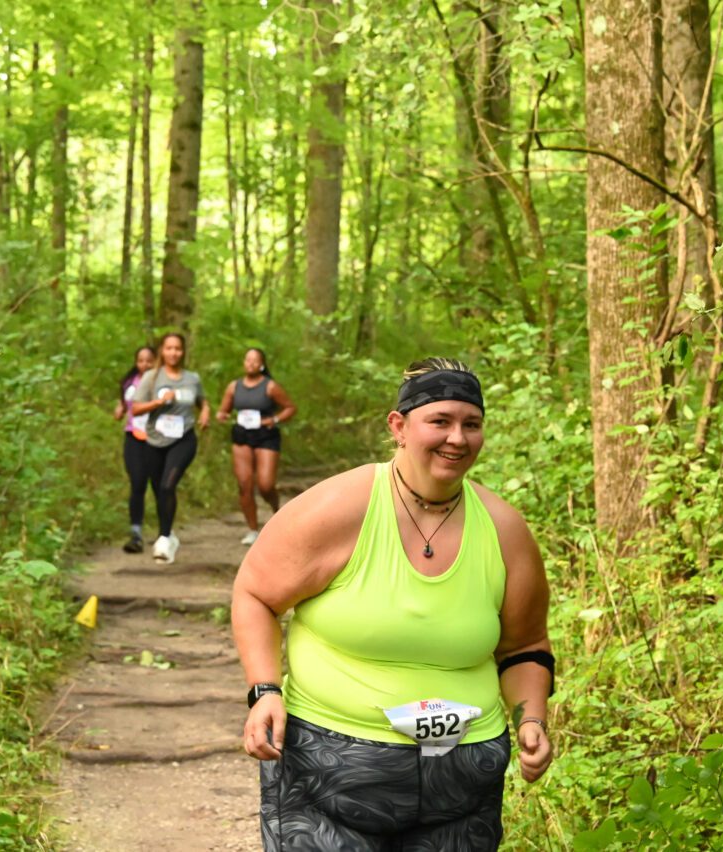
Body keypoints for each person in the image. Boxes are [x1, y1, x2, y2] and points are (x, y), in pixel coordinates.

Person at [232, 357, 554, 850]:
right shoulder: (340, 507)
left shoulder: (504, 529)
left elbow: (525, 646)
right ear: (399, 426)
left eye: (472, 424)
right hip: (331, 780)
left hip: (461, 790)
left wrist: (531, 720)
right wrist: (264, 690)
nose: (458, 438)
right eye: (440, 421)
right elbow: (255, 593)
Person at [128, 332, 211, 564]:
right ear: (162, 352)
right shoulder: (151, 378)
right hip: (155, 440)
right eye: (169, 348)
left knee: (167, 485)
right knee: (159, 491)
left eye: (178, 349)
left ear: (183, 352)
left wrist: (205, 413)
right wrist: (158, 402)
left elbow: (202, 401)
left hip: (183, 438)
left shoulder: (192, 378)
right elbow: (134, 409)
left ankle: (164, 538)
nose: (173, 353)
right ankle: (169, 533)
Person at [216, 348, 298, 546]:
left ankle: (276, 511)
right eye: (248, 360)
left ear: (261, 364)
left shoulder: (270, 387)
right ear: (244, 363)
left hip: (265, 436)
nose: (251, 363)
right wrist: (222, 416)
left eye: (255, 360)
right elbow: (223, 410)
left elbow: (290, 408)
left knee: (265, 484)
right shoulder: (234, 387)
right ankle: (253, 530)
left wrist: (274, 419)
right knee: (244, 484)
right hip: (242, 435)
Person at [112, 345, 157, 553]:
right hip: (133, 436)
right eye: (141, 360)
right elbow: (125, 403)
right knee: (137, 482)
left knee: (160, 486)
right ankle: (136, 532)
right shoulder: (130, 381)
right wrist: (120, 408)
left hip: (157, 438)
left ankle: (164, 532)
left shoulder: (161, 380)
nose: (144, 364)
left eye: (149, 360)